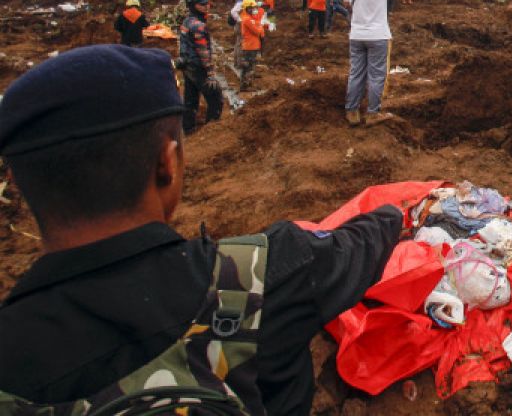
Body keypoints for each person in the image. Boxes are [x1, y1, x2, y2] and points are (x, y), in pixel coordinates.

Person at [0, 44, 407, 414]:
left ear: (16, 183)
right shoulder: (258, 276)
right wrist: (394, 213)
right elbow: (362, 245)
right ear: (167, 163)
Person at [343, 0, 404, 127]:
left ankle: (352, 111)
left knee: (356, 73)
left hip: (356, 35)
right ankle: (372, 113)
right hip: (378, 36)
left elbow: (347, 3)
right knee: (376, 76)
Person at [177, 0, 223, 133]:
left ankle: (188, 129)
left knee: (190, 99)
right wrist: (210, 72)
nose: (206, 6)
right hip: (198, 66)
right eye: (202, 4)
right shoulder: (198, 26)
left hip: (187, 64)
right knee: (215, 97)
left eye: (207, 3)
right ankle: (211, 130)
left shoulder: (187, 21)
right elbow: (203, 51)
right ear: (193, 5)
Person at [239, 0, 266, 91]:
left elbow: (259, 28)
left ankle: (248, 84)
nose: (254, 9)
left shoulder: (251, 19)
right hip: (250, 46)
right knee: (248, 67)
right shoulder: (247, 20)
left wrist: (260, 27)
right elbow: (258, 31)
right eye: (252, 8)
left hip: (252, 46)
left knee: (250, 66)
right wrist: (261, 27)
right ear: (247, 8)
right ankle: (245, 86)